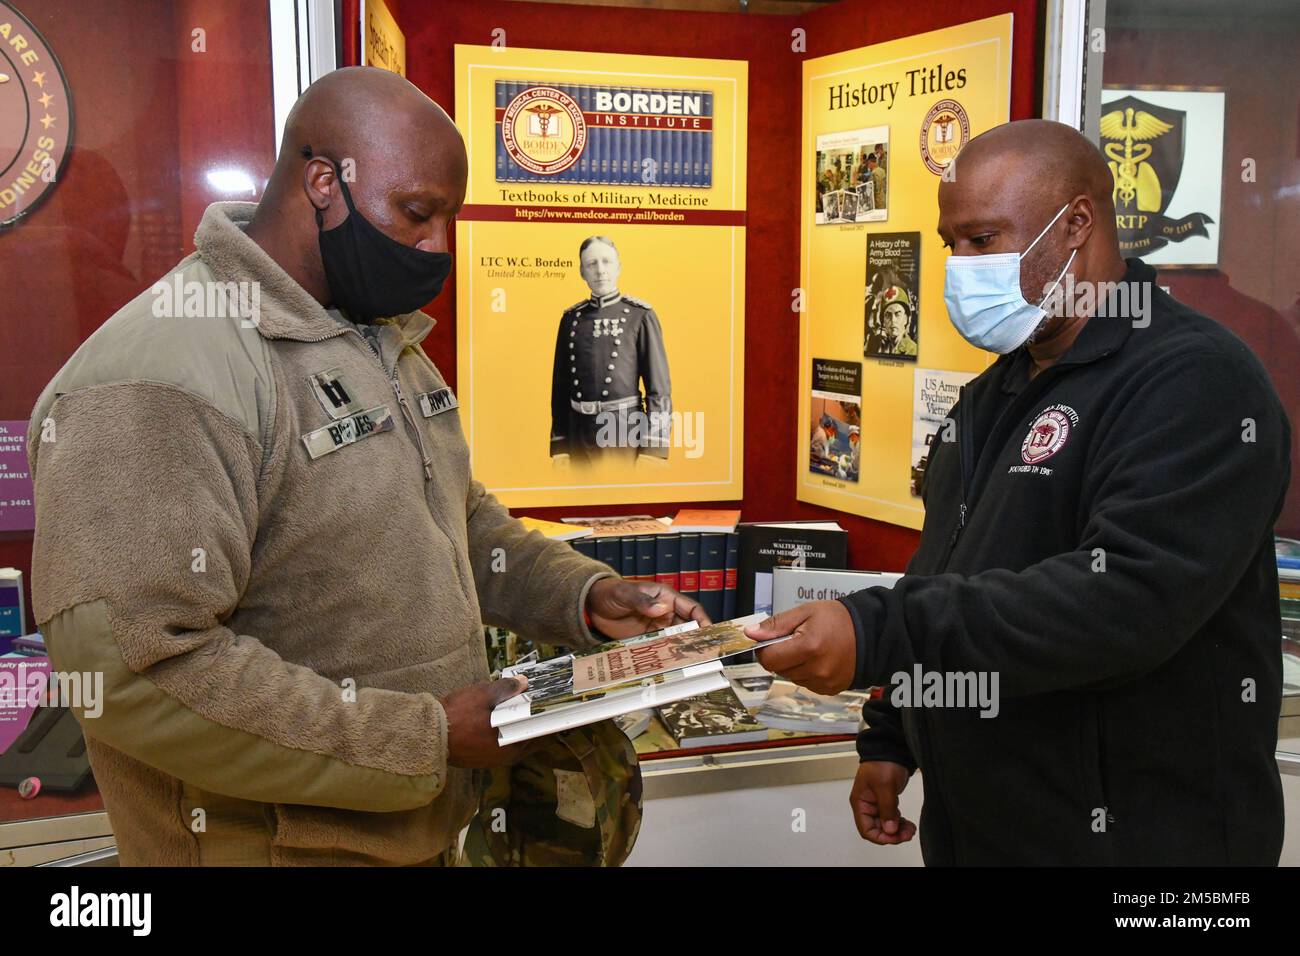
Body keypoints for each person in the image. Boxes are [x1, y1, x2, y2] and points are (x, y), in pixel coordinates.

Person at [26, 67, 706, 867]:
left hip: (418, 836)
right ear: (323, 182)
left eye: (448, 219)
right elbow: (138, 672)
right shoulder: (161, 377)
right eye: (417, 213)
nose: (437, 247)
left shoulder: (380, 339)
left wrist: (582, 595)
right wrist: (422, 737)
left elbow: (459, 522)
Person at [747, 119, 1291, 865]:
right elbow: (950, 571)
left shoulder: (1195, 381)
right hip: (987, 834)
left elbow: (1123, 602)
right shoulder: (997, 390)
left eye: (982, 241)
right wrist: (897, 732)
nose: (959, 267)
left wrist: (880, 635)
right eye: (950, 244)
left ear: (1076, 225)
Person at [549, 236, 672, 466]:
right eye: (591, 264)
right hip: (578, 436)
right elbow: (560, 390)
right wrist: (560, 445)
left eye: (606, 262)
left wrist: (654, 448)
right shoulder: (571, 319)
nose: (600, 270)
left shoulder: (640, 316)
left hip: (623, 434)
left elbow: (659, 391)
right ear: (582, 272)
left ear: (618, 267)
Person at [867, 288, 918, 357]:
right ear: (883, 321)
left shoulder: (913, 351)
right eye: (888, 315)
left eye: (897, 314)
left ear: (906, 319)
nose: (893, 320)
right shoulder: (879, 347)